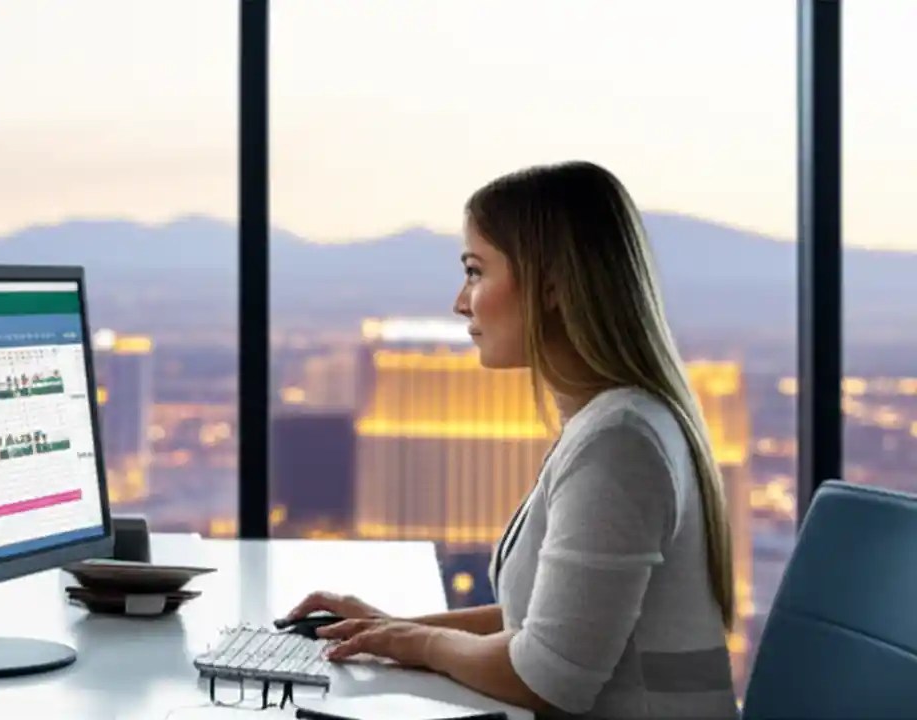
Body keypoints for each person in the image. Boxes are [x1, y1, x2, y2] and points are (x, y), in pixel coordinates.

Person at [285, 161, 737, 719]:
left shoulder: (620, 443)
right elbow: (543, 626)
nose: (460, 301)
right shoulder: (613, 422)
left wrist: (418, 643)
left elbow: (548, 677)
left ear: (551, 287)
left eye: (476, 272)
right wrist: (388, 629)